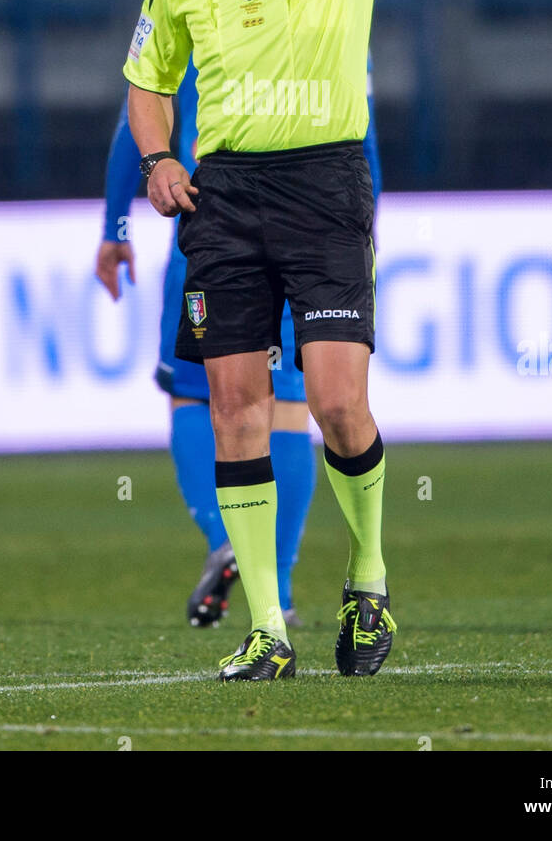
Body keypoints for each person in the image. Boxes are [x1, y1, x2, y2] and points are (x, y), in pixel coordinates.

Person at [123, 0, 429, 680]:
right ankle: (268, 624)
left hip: (326, 183)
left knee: (337, 400)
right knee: (236, 401)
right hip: (227, 197)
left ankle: (372, 578)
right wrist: (160, 161)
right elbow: (144, 81)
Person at [95, 55, 382, 628]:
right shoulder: (324, 2)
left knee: (202, 399)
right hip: (312, 228)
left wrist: (114, 229)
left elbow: (138, 122)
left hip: (214, 225)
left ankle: (224, 542)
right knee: (291, 410)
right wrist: (363, 233)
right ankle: (282, 585)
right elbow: (361, 129)